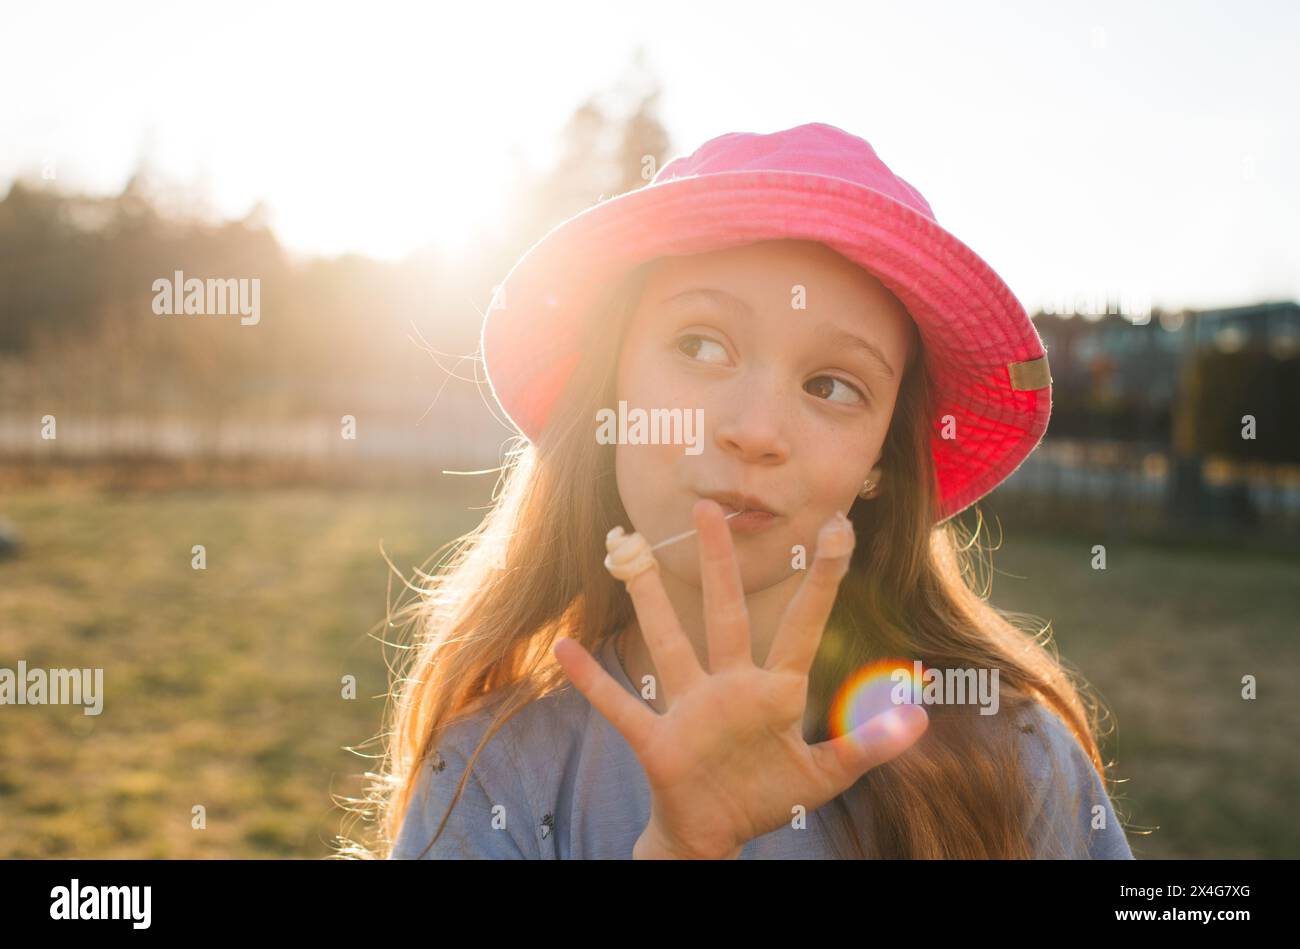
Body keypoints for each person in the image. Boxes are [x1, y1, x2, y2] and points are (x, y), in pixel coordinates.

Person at [366, 122, 1134, 859]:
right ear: (611, 394)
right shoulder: (493, 769)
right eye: (701, 345)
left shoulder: (1012, 761)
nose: (757, 429)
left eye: (833, 385)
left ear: (882, 463)